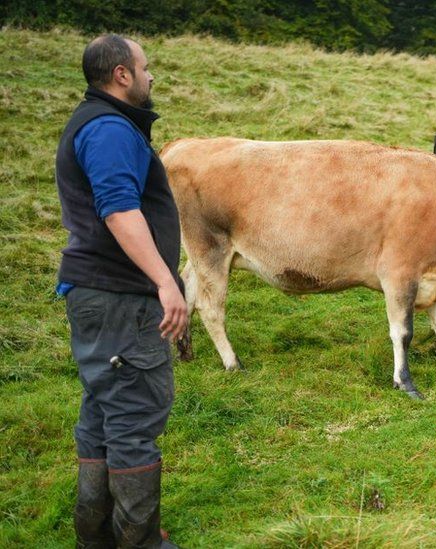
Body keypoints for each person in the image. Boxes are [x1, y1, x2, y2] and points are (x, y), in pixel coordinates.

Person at [55, 34, 187, 549]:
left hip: (96, 292)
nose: (152, 77)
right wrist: (163, 280)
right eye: (146, 68)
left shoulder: (93, 122)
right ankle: (140, 541)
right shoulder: (110, 129)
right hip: (119, 297)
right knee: (133, 413)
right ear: (122, 75)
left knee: (103, 409)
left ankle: (97, 535)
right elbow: (118, 210)